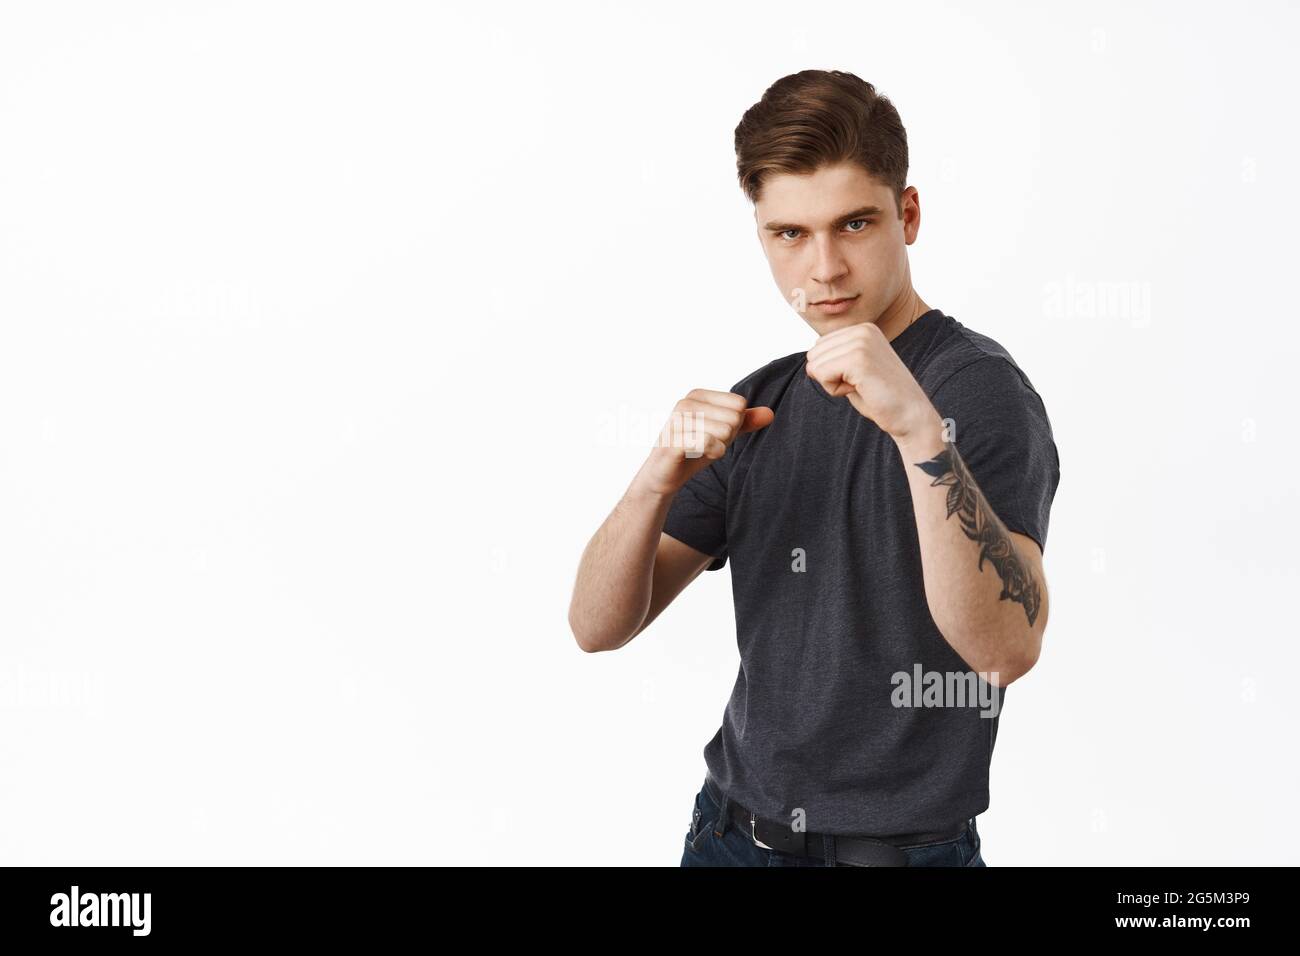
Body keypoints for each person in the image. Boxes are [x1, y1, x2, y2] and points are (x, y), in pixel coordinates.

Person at [568, 69, 1060, 867]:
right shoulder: (763, 401)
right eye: (789, 234)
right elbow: (596, 626)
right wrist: (654, 478)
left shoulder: (976, 389)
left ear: (908, 215)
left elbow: (1006, 650)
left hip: (892, 854)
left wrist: (918, 432)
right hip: (727, 835)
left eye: (854, 224)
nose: (822, 268)